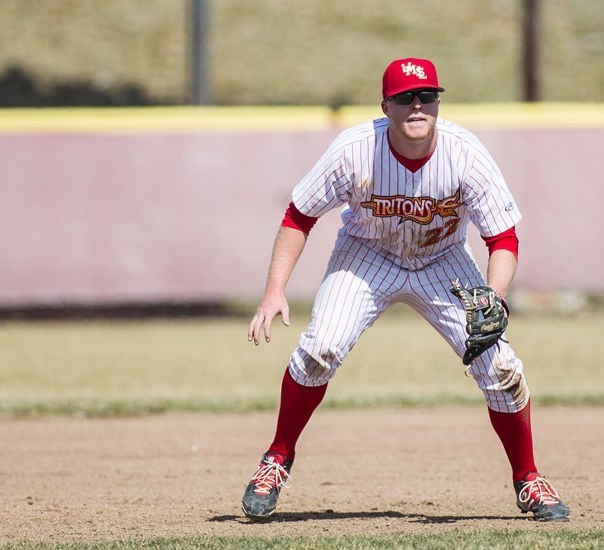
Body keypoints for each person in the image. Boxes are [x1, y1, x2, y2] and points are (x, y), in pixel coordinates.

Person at [241, 57, 570, 522]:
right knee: (320, 349)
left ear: (438, 102)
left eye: (428, 96)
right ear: (386, 106)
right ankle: (276, 459)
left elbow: (503, 237)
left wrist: (492, 297)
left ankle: (528, 477)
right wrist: (274, 290)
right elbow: (299, 215)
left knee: (502, 368)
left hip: (444, 259)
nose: (418, 106)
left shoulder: (465, 153)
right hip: (367, 254)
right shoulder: (355, 150)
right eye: (405, 98)